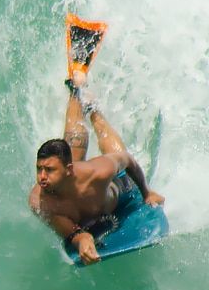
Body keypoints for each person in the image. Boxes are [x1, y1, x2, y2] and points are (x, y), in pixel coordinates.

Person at [29, 23, 165, 265]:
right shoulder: (39, 200)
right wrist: (80, 239)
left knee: (117, 152)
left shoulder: (98, 172)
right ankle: (76, 88)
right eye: (39, 169)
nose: (41, 176)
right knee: (71, 143)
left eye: (48, 170)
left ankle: (94, 110)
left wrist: (146, 192)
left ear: (67, 170)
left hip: (119, 191)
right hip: (82, 204)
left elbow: (128, 161)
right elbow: (67, 229)